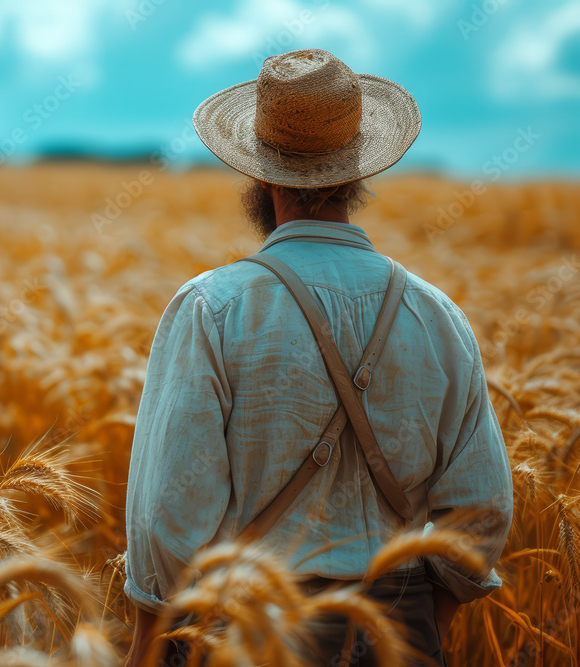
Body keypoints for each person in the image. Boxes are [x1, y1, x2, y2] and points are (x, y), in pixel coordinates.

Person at [123, 49, 514, 666]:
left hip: (245, 636)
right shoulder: (438, 315)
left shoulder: (211, 309)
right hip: (399, 634)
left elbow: (170, 520)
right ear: (358, 174)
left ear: (262, 177)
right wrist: (414, 627)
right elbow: (484, 510)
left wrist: (153, 641)